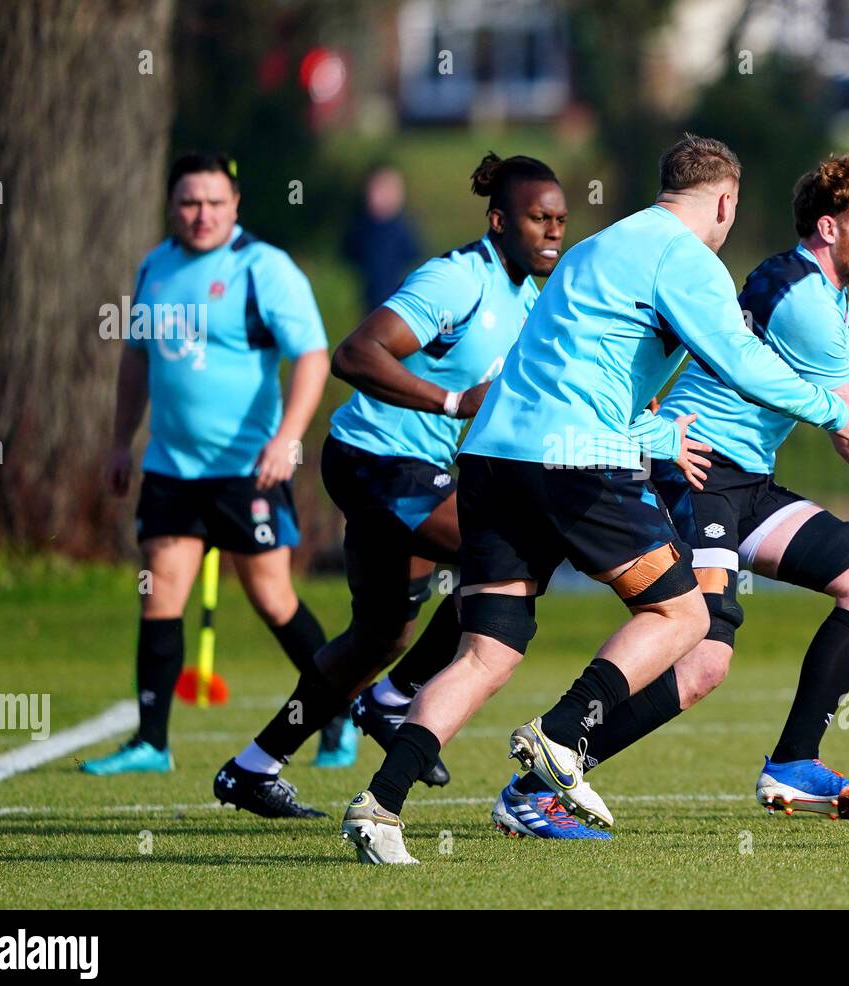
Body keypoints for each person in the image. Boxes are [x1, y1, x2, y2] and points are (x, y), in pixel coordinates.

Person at [340, 135, 849, 863]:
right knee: (684, 613)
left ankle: (380, 804)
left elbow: (574, 365)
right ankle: (562, 734)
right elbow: (741, 359)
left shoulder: (593, 250)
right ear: (725, 200)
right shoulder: (689, 259)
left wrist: (657, 433)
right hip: (574, 460)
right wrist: (833, 409)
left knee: (487, 651)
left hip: (489, 455)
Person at [497, 151, 849, 831]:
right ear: (829, 227)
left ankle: (794, 760)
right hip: (698, 472)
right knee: (701, 653)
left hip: (745, 481)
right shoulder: (804, 303)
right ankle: (539, 781)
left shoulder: (821, 294)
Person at [212, 153, 572, 819]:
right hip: (375, 459)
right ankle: (393, 697)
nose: (551, 231)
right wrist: (449, 399)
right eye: (536, 217)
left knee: (376, 637)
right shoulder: (458, 278)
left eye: (559, 220)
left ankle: (252, 767)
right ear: (498, 220)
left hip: (405, 471)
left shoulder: (528, 297)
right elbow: (356, 351)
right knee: (504, 557)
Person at [86, 152, 334, 776]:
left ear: (235, 205)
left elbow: (311, 355)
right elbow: (137, 357)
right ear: (171, 206)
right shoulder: (155, 268)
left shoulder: (263, 269)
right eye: (190, 203)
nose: (201, 215)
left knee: (273, 598)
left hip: (248, 470)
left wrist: (287, 438)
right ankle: (151, 742)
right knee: (160, 595)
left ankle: (336, 716)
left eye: (214, 203)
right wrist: (122, 441)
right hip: (171, 467)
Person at [343, 165, 422, 313]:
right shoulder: (361, 227)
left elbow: (414, 257)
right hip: (370, 301)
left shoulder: (404, 229)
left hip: (399, 301)